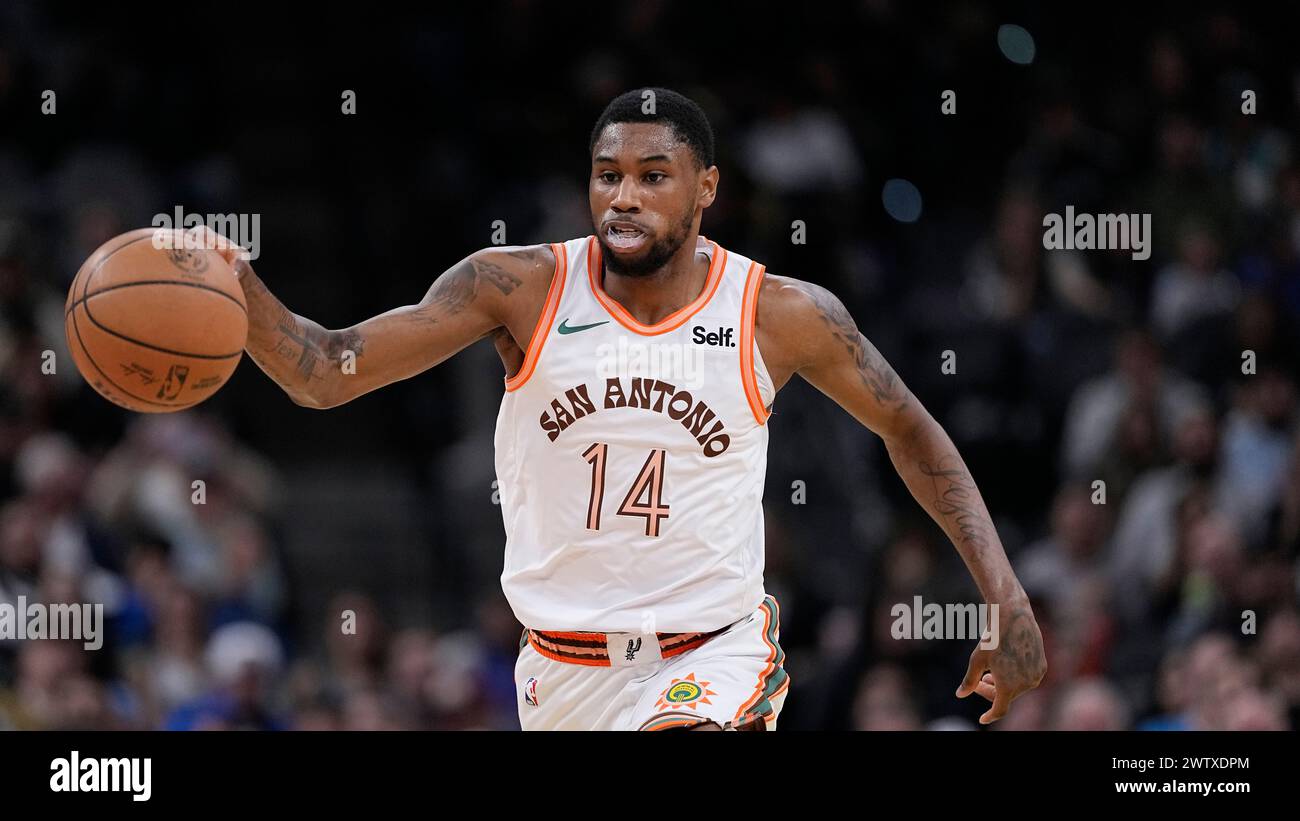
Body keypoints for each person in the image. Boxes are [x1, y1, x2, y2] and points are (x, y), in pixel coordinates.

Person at [204, 87, 1045, 730]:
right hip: (561, 674)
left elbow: (908, 425)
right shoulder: (520, 286)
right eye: (608, 176)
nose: (624, 198)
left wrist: (1002, 593)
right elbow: (324, 371)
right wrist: (235, 287)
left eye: (652, 177)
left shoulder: (778, 312)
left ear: (706, 187)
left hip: (712, 655)